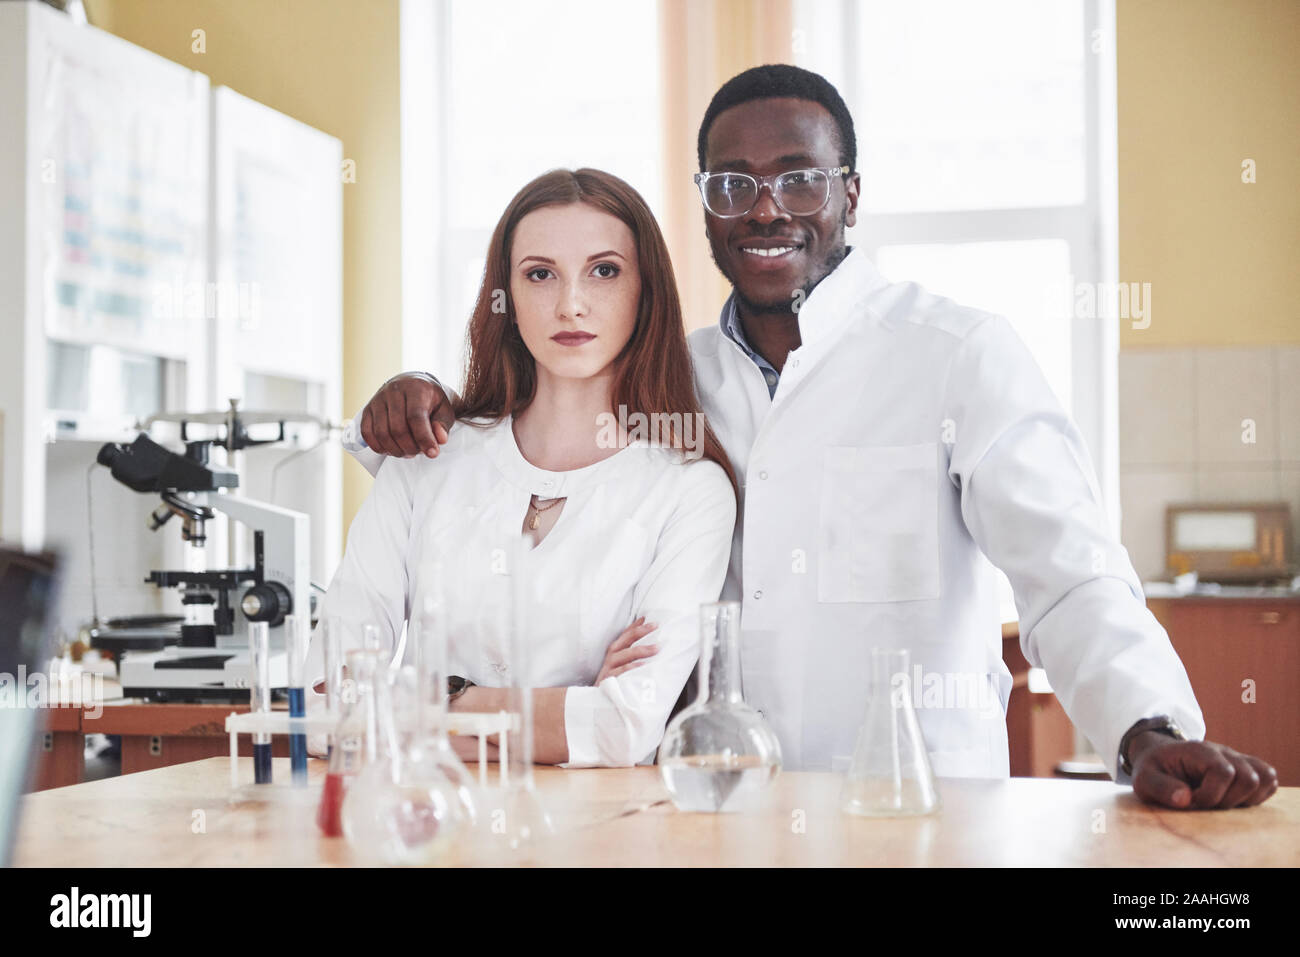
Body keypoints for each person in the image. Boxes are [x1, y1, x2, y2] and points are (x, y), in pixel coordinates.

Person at [352, 65, 1277, 809]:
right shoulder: (668, 375)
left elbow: (1070, 575)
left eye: (799, 176)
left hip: (917, 807)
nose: (766, 208)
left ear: (853, 193)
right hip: (710, 809)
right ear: (705, 206)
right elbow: (510, 442)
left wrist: (1147, 729)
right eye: (733, 184)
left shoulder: (957, 356)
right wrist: (422, 397)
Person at [314, 168, 737, 768]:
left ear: (647, 292)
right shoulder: (427, 459)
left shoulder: (690, 489)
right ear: (505, 298)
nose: (571, 303)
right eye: (540, 275)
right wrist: (570, 707)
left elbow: (624, 728)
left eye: (605, 270)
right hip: (417, 837)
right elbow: (324, 704)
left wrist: (430, 698)